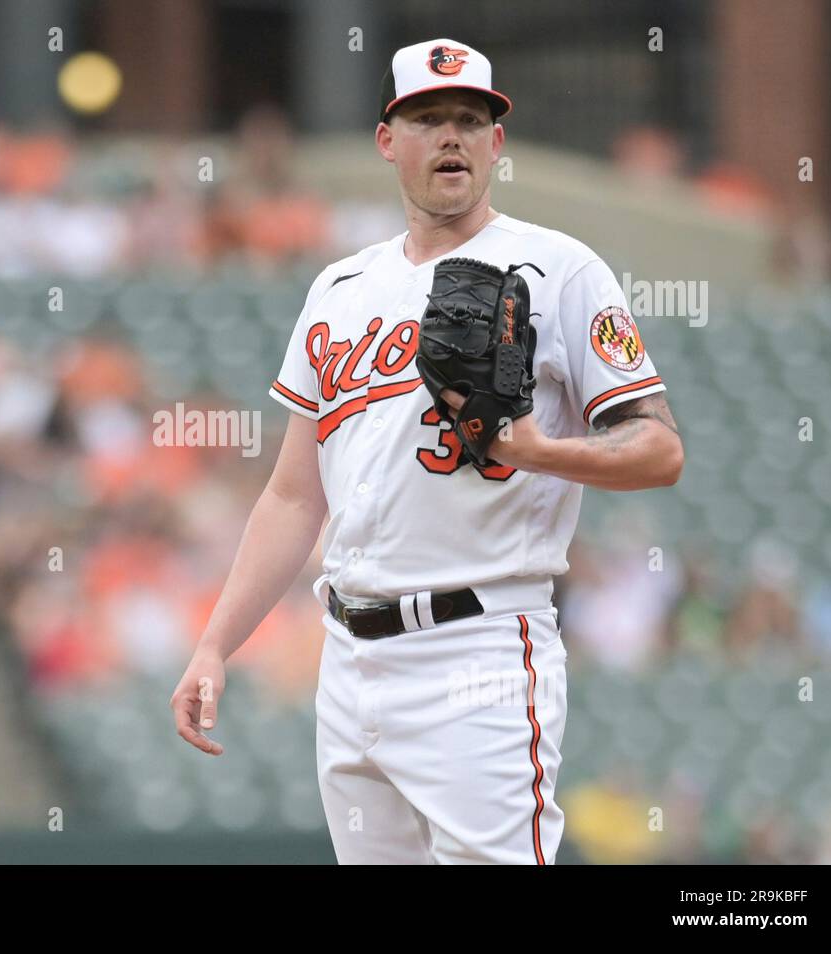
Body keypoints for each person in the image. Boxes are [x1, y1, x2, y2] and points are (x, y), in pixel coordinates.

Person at [170, 38, 684, 865]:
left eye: (470, 120)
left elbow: (659, 448)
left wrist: (534, 448)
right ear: (387, 140)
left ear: (496, 144)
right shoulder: (339, 289)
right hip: (349, 658)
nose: (452, 136)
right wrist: (214, 644)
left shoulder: (558, 267)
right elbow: (295, 497)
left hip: (476, 646)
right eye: (428, 118)